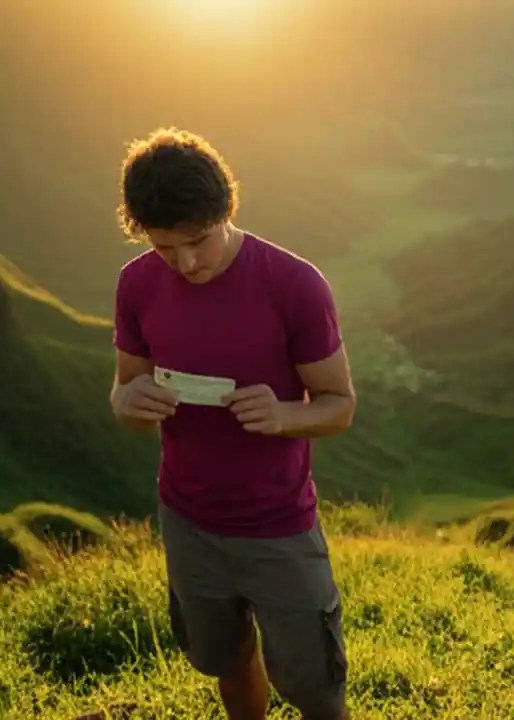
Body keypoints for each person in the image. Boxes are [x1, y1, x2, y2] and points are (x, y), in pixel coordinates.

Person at [108, 127, 356, 720]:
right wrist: (126, 403)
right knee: (223, 659)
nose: (187, 263)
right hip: (188, 520)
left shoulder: (295, 285)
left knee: (314, 684)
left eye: (200, 241)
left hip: (278, 527)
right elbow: (124, 386)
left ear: (227, 211)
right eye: (167, 248)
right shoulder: (137, 283)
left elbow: (339, 404)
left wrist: (283, 416)